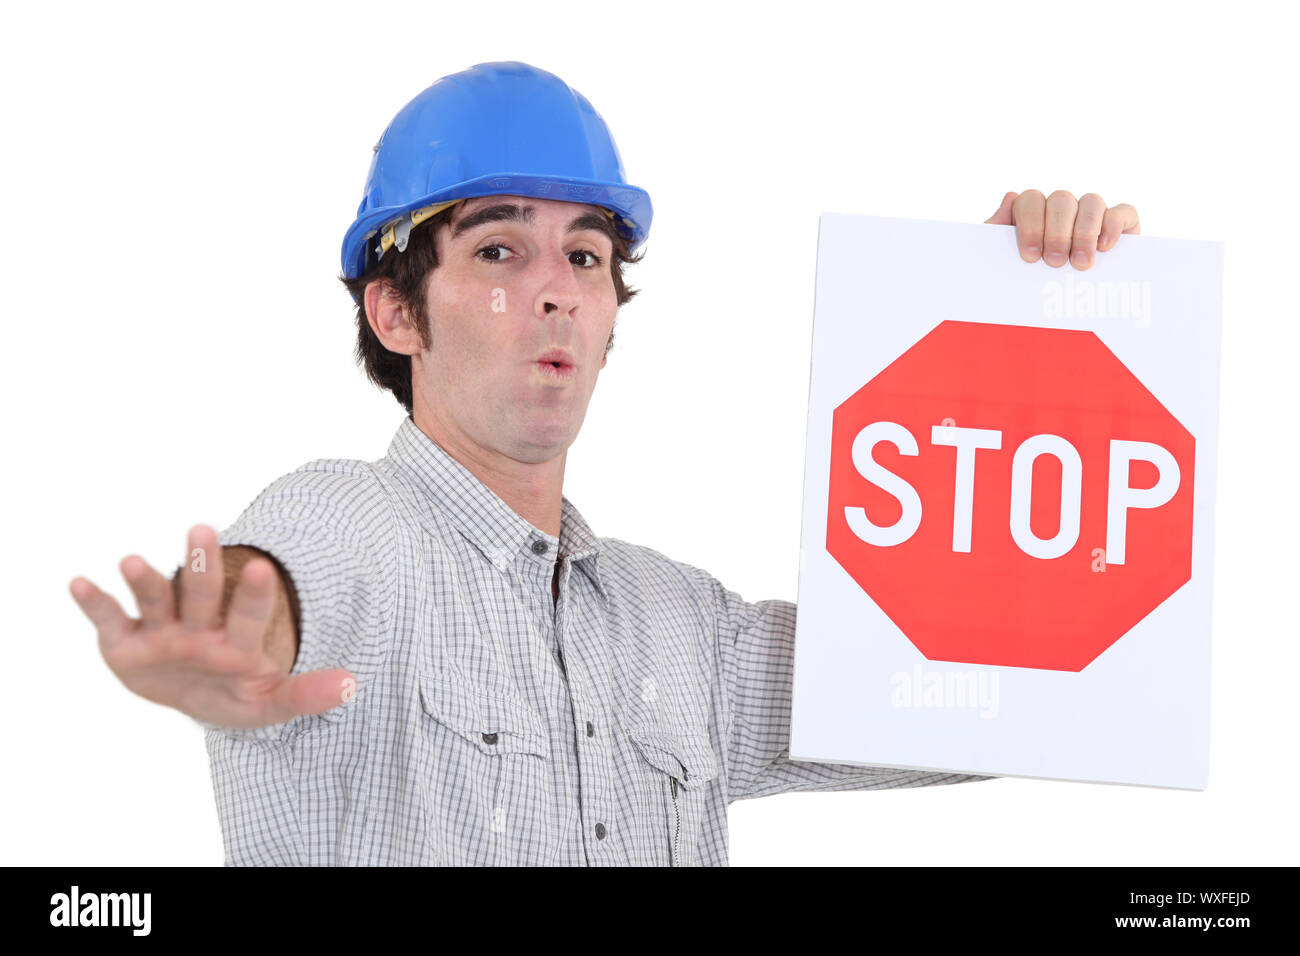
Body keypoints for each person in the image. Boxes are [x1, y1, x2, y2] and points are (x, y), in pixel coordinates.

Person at [68, 61, 1140, 866]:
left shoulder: (685, 629)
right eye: (498, 249)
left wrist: (1018, 328)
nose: (557, 289)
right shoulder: (354, 524)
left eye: (585, 254)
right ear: (394, 311)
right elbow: (284, 584)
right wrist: (233, 635)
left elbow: (999, 690)